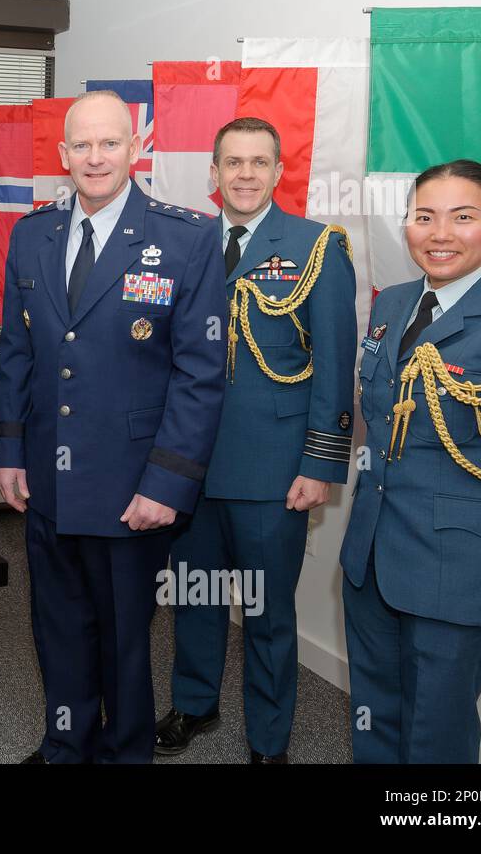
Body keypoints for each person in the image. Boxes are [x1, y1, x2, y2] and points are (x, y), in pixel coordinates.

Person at [0, 90, 226, 764]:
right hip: (45, 478)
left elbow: (200, 373)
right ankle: (66, 740)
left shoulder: (185, 237)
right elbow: (16, 349)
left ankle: (126, 752)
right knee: (58, 626)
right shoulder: (34, 234)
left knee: (125, 637)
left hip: (131, 487)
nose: (95, 157)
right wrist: (10, 452)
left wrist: (167, 482)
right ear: (63, 155)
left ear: (136, 148)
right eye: (82, 145)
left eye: (109, 143)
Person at [341, 159, 481, 764]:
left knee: (435, 736)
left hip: (462, 565)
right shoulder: (392, 306)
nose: (439, 233)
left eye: (463, 217)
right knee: (375, 719)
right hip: (371, 556)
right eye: (425, 217)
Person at [154, 118, 357, 764]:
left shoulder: (316, 246)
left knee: (267, 614)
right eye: (232, 162)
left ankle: (270, 741)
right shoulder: (179, 243)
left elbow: (334, 363)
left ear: (278, 172)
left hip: (273, 470)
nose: (244, 173)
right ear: (212, 174)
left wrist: (320, 463)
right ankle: (194, 702)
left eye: (258, 162)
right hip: (188, 464)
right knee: (193, 593)